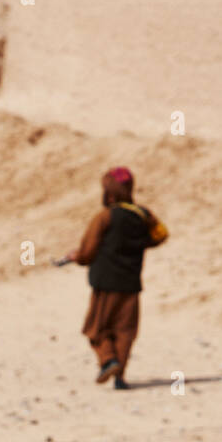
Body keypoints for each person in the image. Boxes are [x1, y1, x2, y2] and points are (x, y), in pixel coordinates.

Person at [64, 165, 168, 389]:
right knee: (125, 331)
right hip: (131, 284)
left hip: (106, 283)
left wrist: (77, 257)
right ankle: (120, 376)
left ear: (108, 192)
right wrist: (141, 243)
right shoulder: (143, 215)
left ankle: (108, 360)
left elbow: (88, 250)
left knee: (97, 328)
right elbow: (161, 235)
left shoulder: (105, 217)